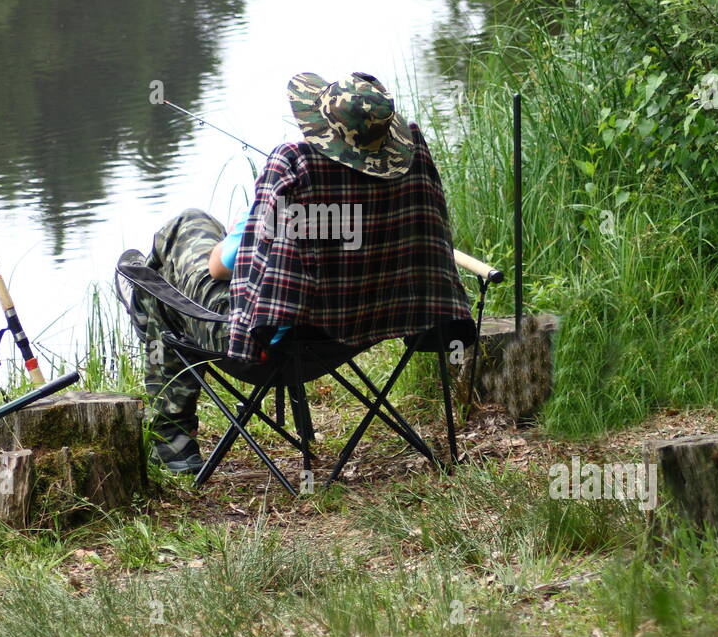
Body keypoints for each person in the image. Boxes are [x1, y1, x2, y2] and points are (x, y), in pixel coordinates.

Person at [126, 71, 469, 473]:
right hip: (352, 336)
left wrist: (251, 219)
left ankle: (172, 442)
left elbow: (219, 268)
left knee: (174, 246)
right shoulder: (409, 174)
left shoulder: (297, 172)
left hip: (267, 350)